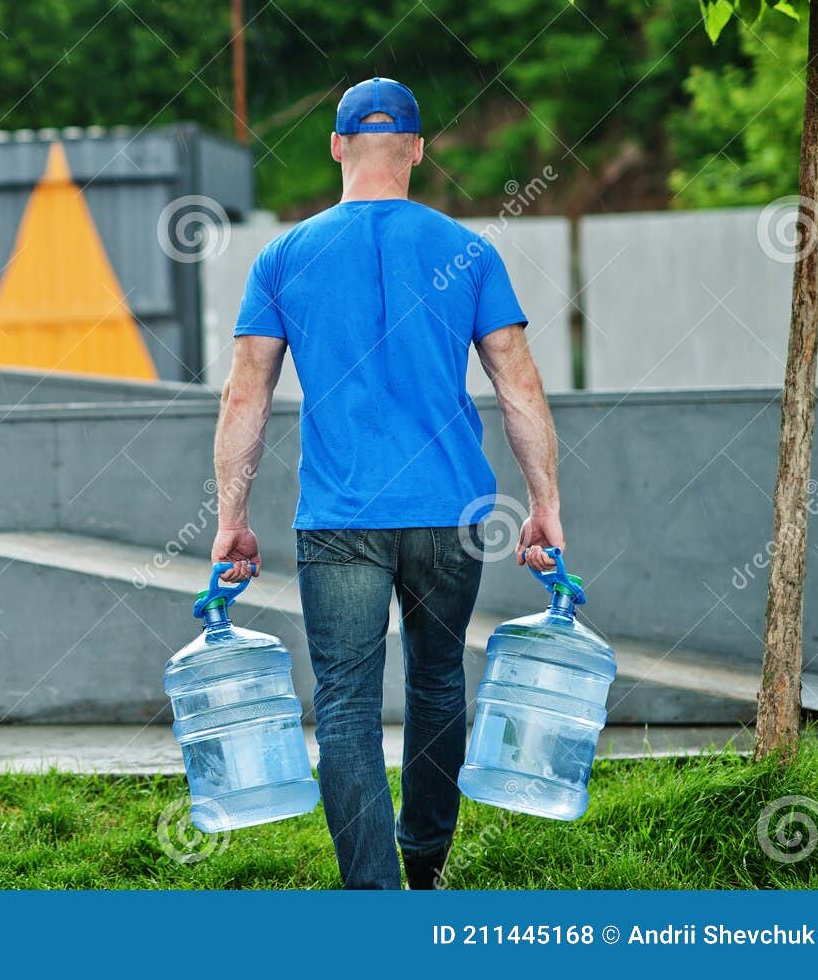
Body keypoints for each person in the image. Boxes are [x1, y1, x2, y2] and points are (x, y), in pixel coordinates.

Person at [209, 77, 562, 890]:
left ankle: (374, 903)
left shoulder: (284, 256)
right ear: (419, 149)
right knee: (439, 680)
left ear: (336, 146)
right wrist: (545, 505)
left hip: (339, 518)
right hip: (453, 511)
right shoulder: (466, 251)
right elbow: (520, 385)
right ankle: (426, 863)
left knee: (345, 706)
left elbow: (244, 396)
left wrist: (232, 517)